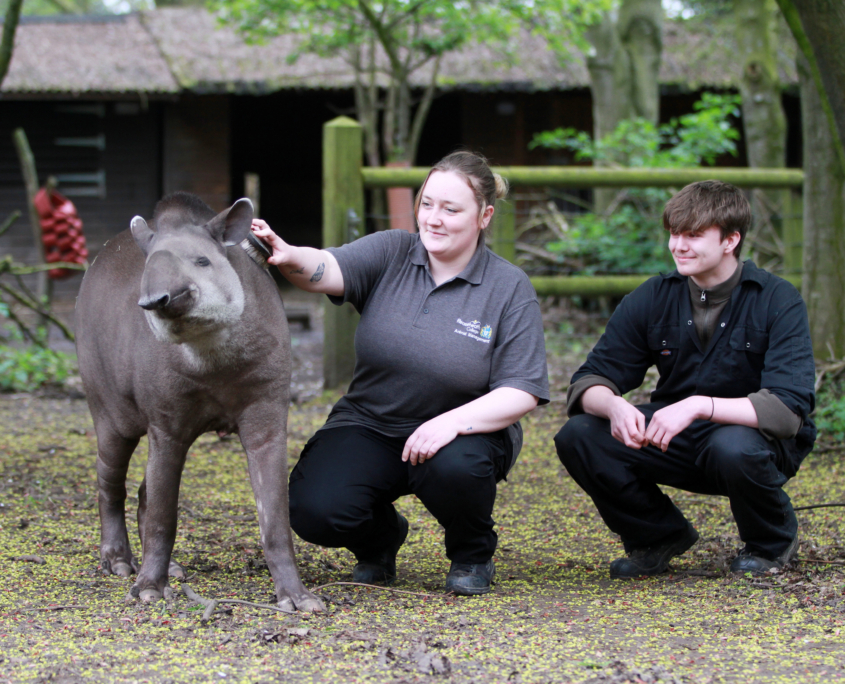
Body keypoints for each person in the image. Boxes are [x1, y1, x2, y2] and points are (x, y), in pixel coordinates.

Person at [251, 151, 549, 595]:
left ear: (484, 216)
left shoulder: (508, 288)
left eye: (451, 209)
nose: (434, 218)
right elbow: (324, 269)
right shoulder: (392, 251)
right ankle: (381, 539)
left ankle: (472, 553)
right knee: (314, 508)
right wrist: (288, 253)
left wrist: (448, 424)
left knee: (458, 468)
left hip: (465, 434)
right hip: (372, 422)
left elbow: (522, 390)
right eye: (427, 204)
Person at [554, 180, 816, 578]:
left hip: (754, 445)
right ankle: (657, 536)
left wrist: (698, 406)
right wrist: (613, 404)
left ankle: (770, 543)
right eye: (675, 234)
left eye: (693, 235)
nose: (678, 245)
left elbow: (786, 412)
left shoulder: (777, 299)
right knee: (580, 435)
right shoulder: (654, 296)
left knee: (734, 445)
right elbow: (587, 381)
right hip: (673, 439)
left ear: (731, 240)